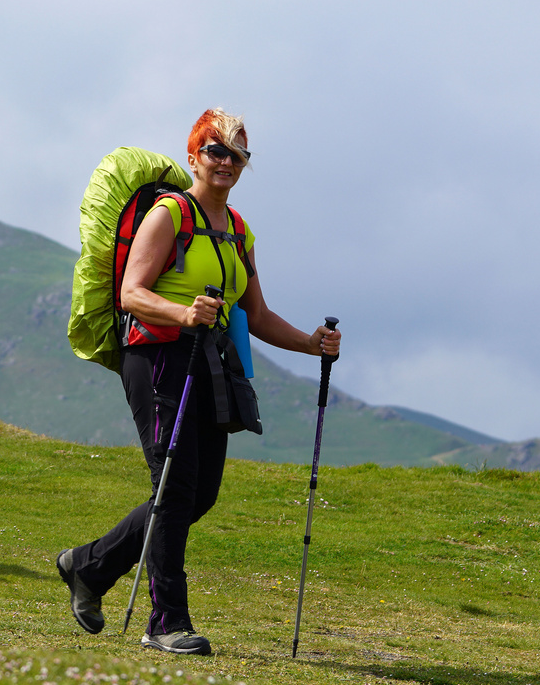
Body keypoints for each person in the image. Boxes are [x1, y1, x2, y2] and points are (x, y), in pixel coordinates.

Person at [58, 108, 342, 655]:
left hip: (210, 362)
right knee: (174, 486)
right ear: (193, 156)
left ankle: (89, 567)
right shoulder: (169, 214)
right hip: (158, 358)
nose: (226, 161)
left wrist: (310, 344)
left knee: (199, 493)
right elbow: (132, 294)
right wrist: (183, 313)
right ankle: (166, 623)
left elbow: (255, 315)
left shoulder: (239, 231)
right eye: (215, 150)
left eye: (237, 155)